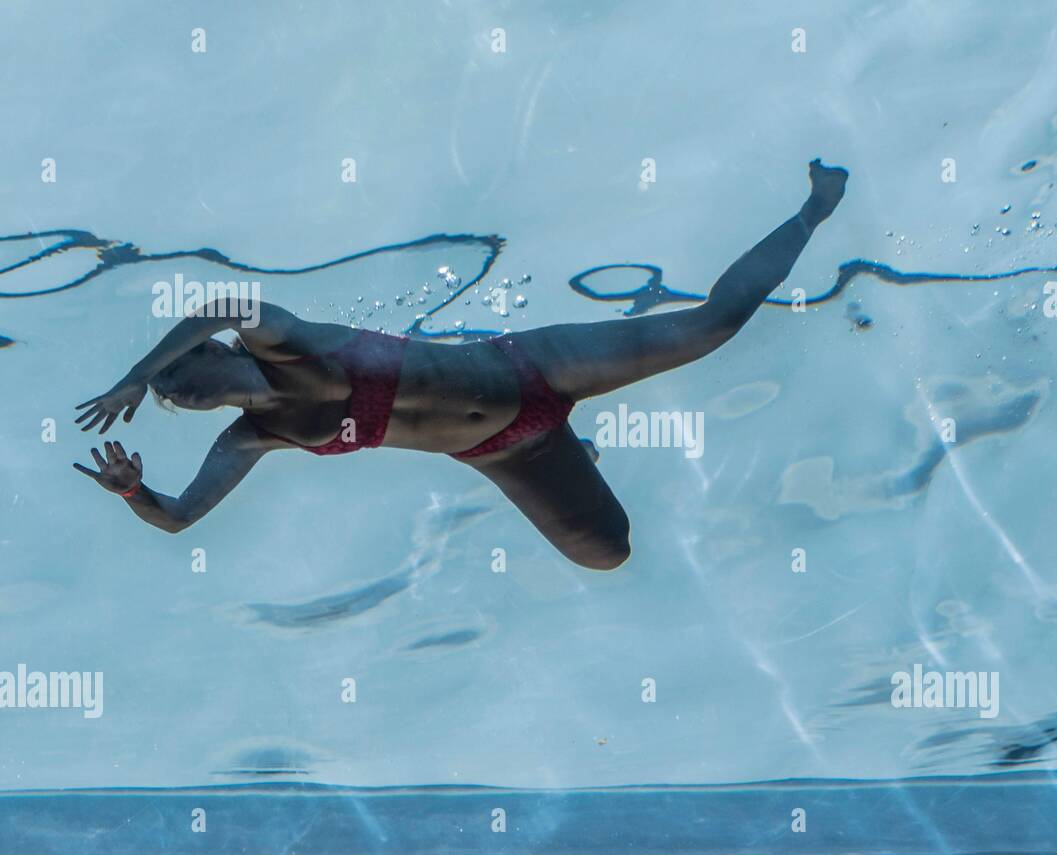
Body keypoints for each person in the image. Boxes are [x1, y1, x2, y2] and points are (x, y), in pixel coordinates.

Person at [74, 160, 848, 569]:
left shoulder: (282, 337)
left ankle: (814, 208)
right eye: (171, 394)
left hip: (534, 369)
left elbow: (223, 305)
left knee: (714, 326)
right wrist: (135, 491)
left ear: (206, 353)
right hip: (508, 446)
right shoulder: (249, 438)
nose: (175, 390)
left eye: (176, 374)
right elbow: (177, 521)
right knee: (609, 553)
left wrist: (135, 374)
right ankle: (581, 455)